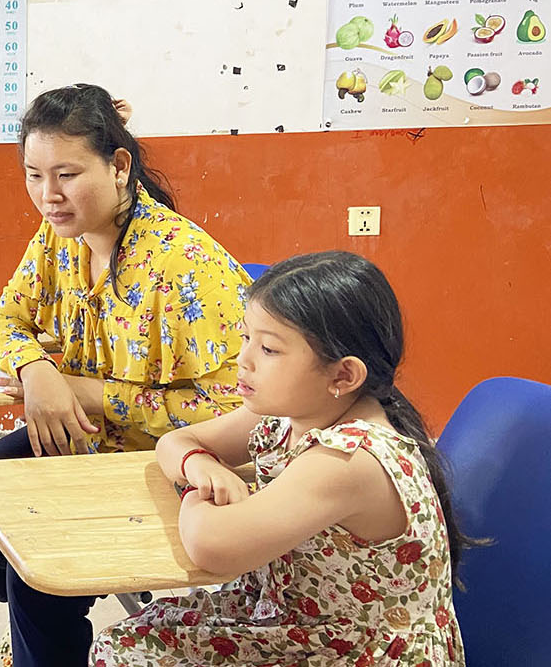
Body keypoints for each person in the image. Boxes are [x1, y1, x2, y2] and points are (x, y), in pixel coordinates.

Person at [0, 84, 250, 667]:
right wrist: (37, 370)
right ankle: (47, 620)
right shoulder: (62, 237)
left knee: (38, 575)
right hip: (88, 443)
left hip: (171, 460)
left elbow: (241, 408)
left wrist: (89, 393)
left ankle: (46, 622)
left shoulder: (183, 263)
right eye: (33, 176)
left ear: (119, 166)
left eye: (67, 175)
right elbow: (4, 319)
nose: (48, 196)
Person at [91, 251, 467, 666]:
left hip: (359, 649)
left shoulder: (349, 459)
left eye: (269, 349)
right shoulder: (292, 411)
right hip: (297, 617)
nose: (243, 359)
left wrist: (194, 489)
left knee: (127, 652)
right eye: (246, 338)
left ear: (343, 375)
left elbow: (210, 544)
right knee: (130, 638)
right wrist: (201, 464)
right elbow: (175, 441)